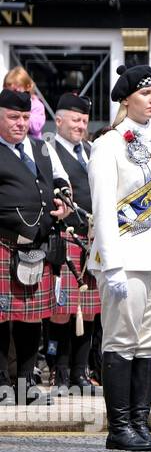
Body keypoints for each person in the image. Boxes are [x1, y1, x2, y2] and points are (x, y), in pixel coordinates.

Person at [86, 65, 151, 450]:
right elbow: (102, 209)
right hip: (126, 258)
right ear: (126, 99)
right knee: (121, 340)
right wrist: (110, 263)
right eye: (146, 93)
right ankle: (119, 427)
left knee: (150, 343)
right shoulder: (108, 144)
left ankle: (139, 422)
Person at [0, 89, 72, 404]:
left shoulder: (41, 148)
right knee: (1, 318)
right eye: (13, 117)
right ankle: (1, 384)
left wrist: (64, 203)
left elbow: (60, 182)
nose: (20, 123)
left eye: (25, 117)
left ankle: (25, 384)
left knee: (31, 317)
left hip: (37, 246)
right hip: (3, 242)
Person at [47, 93, 100, 393]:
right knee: (61, 309)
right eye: (75, 119)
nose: (81, 125)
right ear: (59, 120)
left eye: (84, 120)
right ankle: (59, 371)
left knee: (90, 310)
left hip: (91, 239)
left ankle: (81, 372)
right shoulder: (47, 149)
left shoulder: (92, 150)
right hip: (65, 236)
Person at [3, 67, 46, 138]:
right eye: (9, 92)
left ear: (27, 87)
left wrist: (23, 114)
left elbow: (36, 127)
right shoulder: (4, 104)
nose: (13, 95)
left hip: (31, 143)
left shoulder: (36, 105)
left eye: (16, 91)